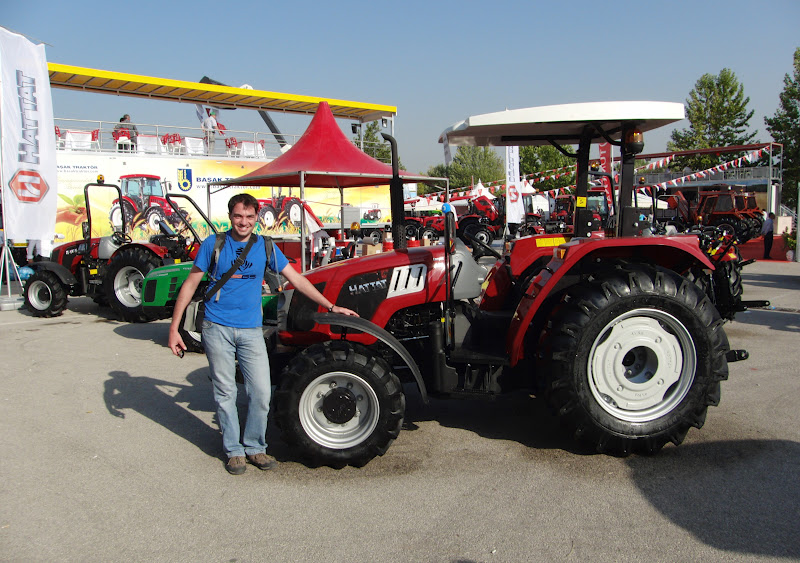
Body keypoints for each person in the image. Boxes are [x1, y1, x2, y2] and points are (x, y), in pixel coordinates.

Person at [168, 193, 358, 475]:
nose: (243, 222)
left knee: (260, 392)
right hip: (216, 328)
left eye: (249, 217)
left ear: (256, 218)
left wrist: (331, 305)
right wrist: (174, 328)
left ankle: (255, 446)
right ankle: (234, 451)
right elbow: (189, 285)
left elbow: (296, 279)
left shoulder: (265, 247)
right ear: (230, 217)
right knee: (225, 392)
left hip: (250, 331)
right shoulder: (214, 245)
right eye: (237, 216)